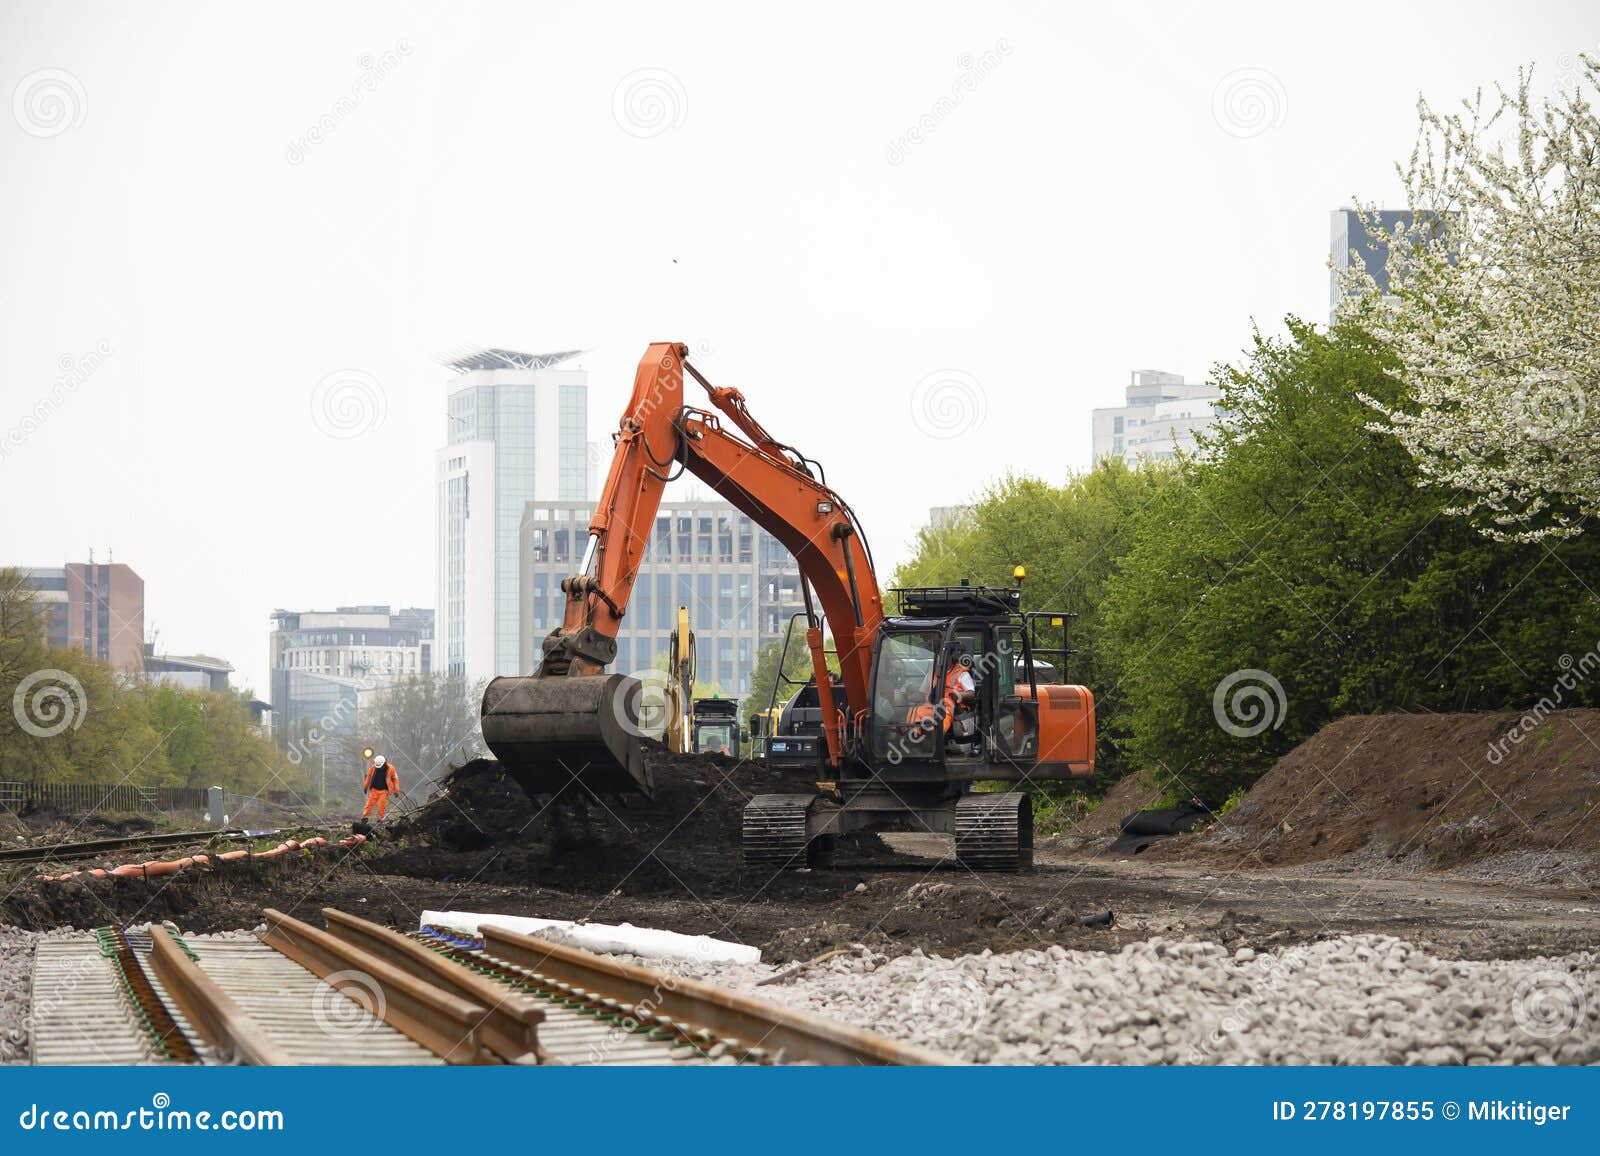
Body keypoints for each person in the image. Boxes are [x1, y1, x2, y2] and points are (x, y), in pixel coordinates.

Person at [361, 754, 399, 821]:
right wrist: (365, 787)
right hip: (374, 790)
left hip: (384, 791)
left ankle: (380, 820)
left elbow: (395, 779)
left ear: (384, 763)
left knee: (381, 806)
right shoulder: (373, 767)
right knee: (369, 805)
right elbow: (368, 777)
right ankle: (364, 818)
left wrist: (396, 790)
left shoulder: (391, 768)